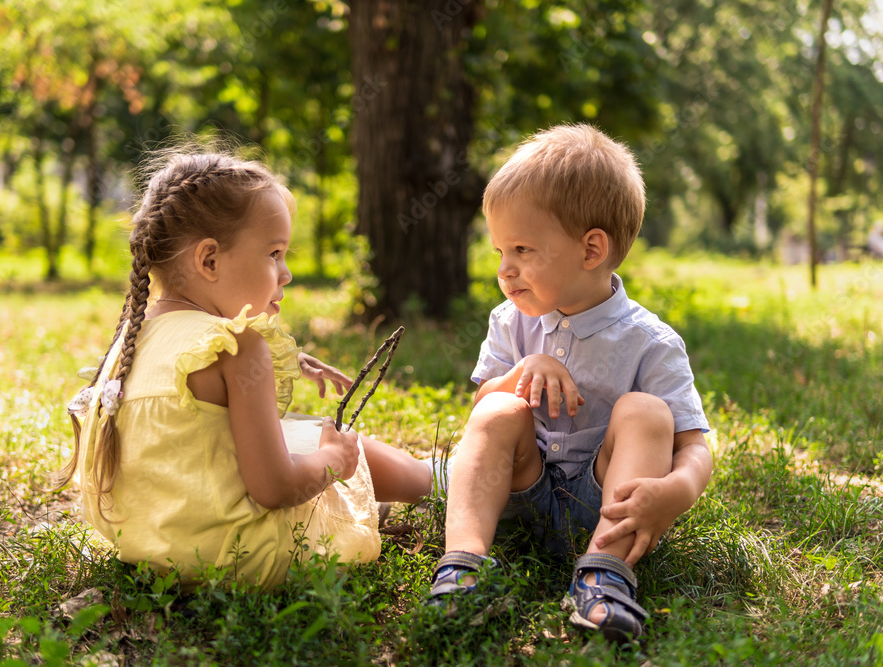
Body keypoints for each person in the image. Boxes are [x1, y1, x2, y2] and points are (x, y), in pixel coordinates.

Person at [54, 150, 431, 589]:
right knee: (323, 439)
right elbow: (274, 488)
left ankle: (407, 484)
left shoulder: (130, 339)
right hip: (246, 557)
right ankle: (435, 480)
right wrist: (333, 460)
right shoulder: (239, 346)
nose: (285, 274)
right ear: (209, 260)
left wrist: (285, 361)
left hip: (151, 551)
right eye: (274, 253)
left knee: (283, 435)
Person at [428, 124, 712, 643]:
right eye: (499, 252)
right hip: (520, 490)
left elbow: (694, 446)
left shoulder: (651, 341)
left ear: (591, 250)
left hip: (606, 502)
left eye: (522, 249)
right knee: (496, 412)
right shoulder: (510, 322)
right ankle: (463, 564)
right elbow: (480, 411)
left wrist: (677, 489)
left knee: (648, 412)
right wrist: (520, 374)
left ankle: (604, 573)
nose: (505, 270)